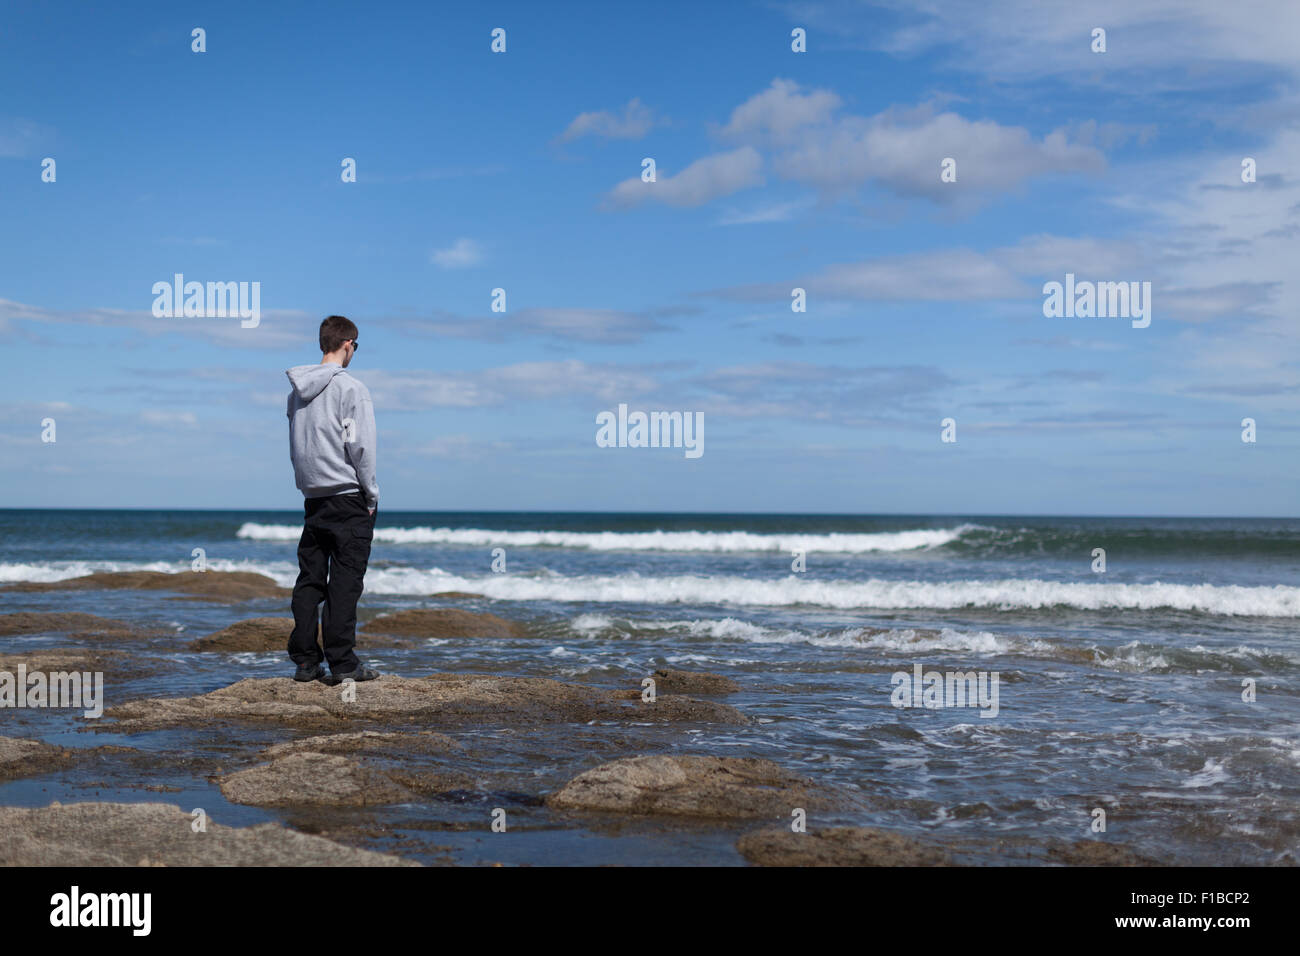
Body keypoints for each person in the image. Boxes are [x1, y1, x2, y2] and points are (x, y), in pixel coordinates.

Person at [284, 315, 380, 684]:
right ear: (348, 345)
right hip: (347, 496)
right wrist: (370, 492)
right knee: (345, 582)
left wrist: (306, 486)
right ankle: (343, 663)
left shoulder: (296, 392)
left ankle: (306, 662)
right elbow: (362, 446)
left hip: (314, 498)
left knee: (310, 580)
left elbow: (296, 446)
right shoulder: (351, 389)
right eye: (355, 346)